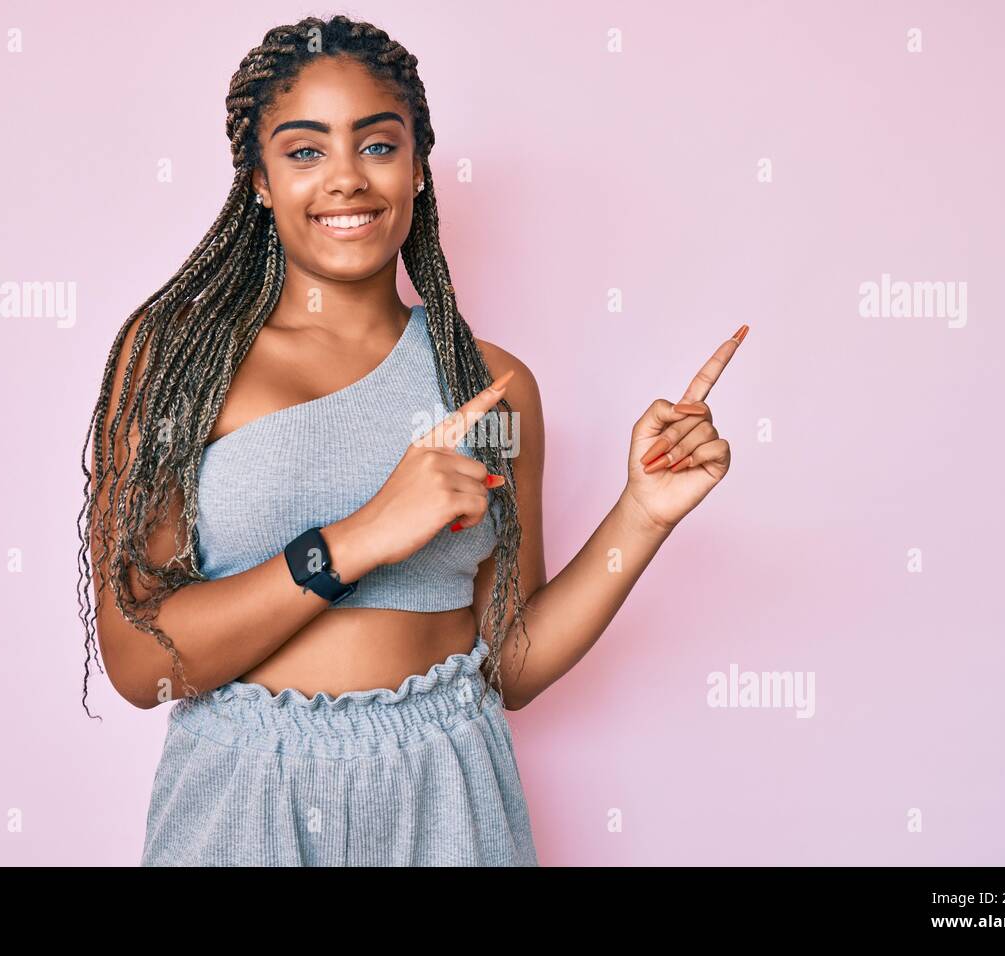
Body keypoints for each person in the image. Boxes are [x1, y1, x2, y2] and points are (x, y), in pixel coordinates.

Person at [75, 14, 745, 867]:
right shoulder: (178, 362)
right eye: (306, 151)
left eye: (378, 146)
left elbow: (512, 662)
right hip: (246, 790)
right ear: (258, 180)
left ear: (420, 169)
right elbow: (140, 665)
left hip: (448, 788)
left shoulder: (490, 385)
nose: (346, 180)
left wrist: (643, 516)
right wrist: (360, 539)